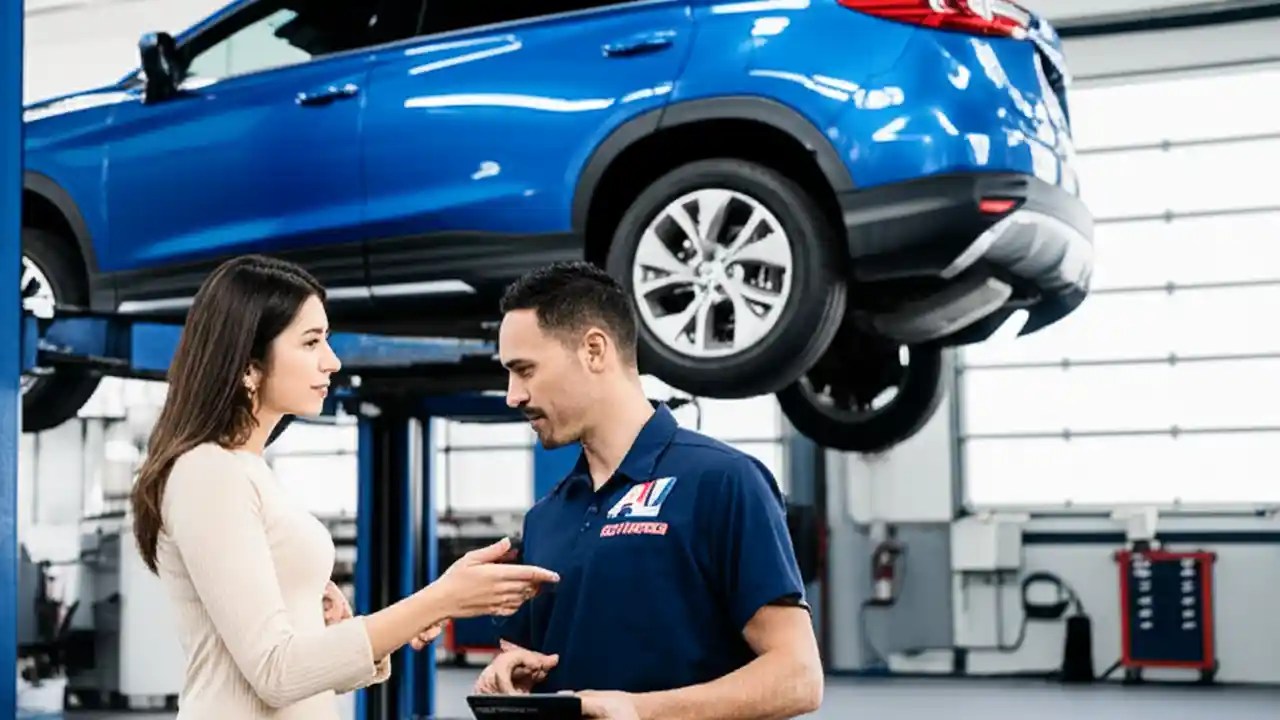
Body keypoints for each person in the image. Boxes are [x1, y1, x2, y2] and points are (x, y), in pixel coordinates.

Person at [128, 255, 558, 719]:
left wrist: (330, 613)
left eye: (326, 340)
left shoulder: (246, 470)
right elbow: (277, 672)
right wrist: (442, 597)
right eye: (311, 342)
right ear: (250, 367)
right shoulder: (208, 473)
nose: (332, 362)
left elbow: (291, 658)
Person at [476, 261, 824, 720]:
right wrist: (510, 676)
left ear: (594, 350)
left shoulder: (723, 482)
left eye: (525, 370)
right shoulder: (547, 516)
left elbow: (797, 677)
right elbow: (540, 665)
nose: (512, 395)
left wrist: (638, 711)